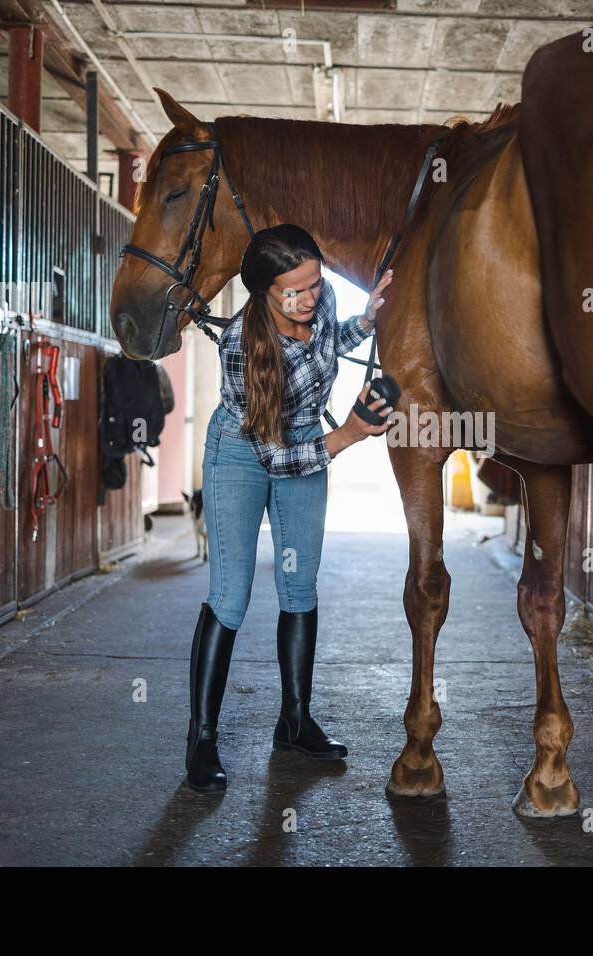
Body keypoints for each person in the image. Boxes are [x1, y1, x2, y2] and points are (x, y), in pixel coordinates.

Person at [184, 223, 394, 794]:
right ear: (263, 293)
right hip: (243, 452)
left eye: (315, 285)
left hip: (304, 441)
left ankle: (295, 722)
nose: (307, 300)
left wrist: (365, 321)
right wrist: (349, 434)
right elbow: (277, 458)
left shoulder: (318, 304)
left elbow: (326, 347)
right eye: (291, 293)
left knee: (299, 585)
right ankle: (203, 738)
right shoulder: (239, 345)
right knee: (232, 592)